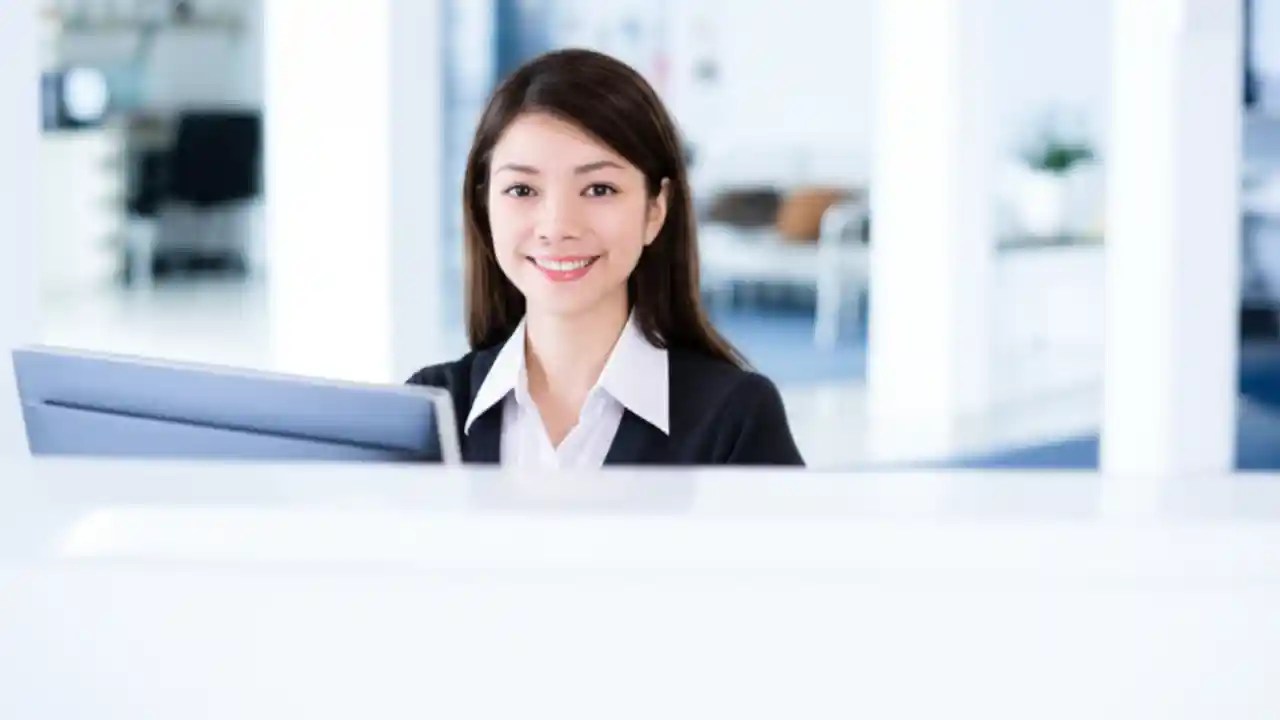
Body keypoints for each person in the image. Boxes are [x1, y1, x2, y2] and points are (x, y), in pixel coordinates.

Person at [408, 48, 803, 467]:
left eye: (599, 189)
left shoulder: (735, 418)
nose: (557, 226)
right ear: (484, 207)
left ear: (656, 209)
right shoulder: (431, 409)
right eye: (522, 190)